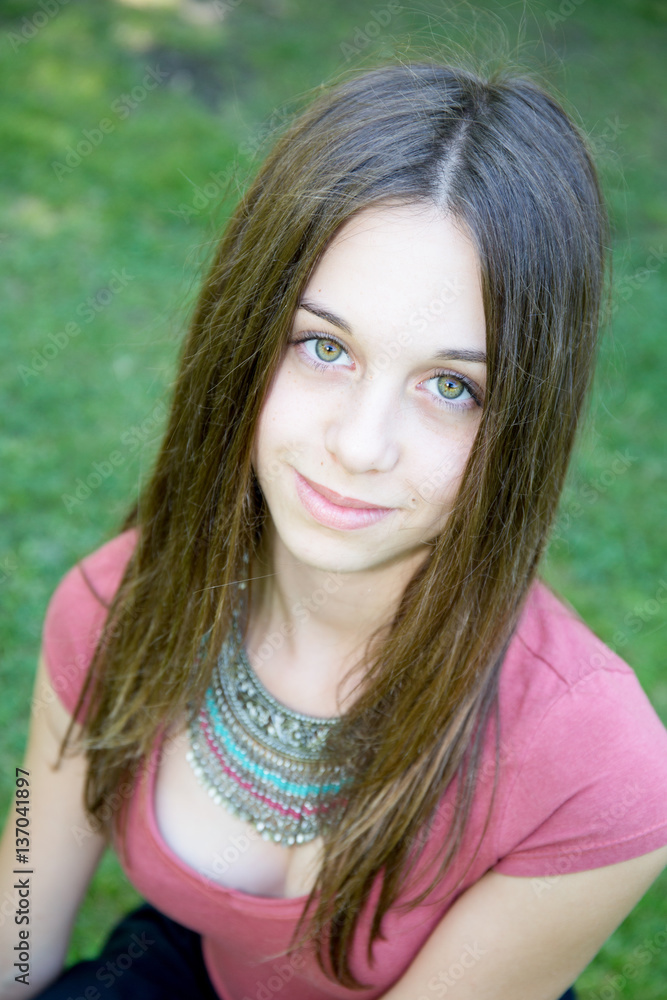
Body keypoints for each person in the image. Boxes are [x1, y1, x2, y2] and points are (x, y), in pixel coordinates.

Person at [1, 61, 667, 1000]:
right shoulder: (111, 607)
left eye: (451, 387)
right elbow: (21, 904)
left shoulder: (599, 768)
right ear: (244, 342)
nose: (360, 445)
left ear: (524, 421)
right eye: (324, 346)